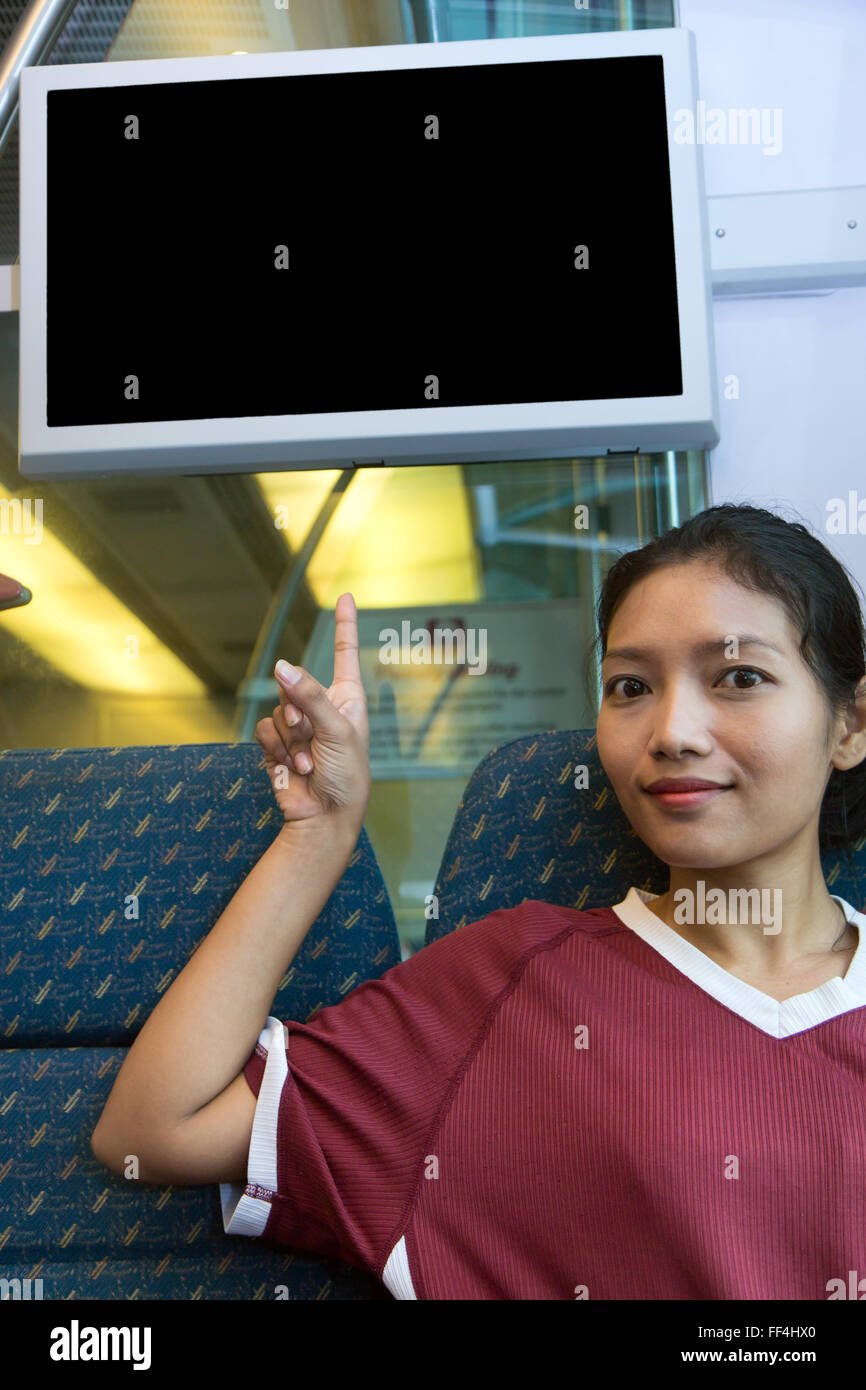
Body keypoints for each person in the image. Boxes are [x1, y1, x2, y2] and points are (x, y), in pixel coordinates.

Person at [90, 503, 866, 1300]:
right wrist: (319, 836)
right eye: (631, 686)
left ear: (851, 723)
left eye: (739, 677)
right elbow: (152, 1130)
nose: (673, 730)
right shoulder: (505, 984)